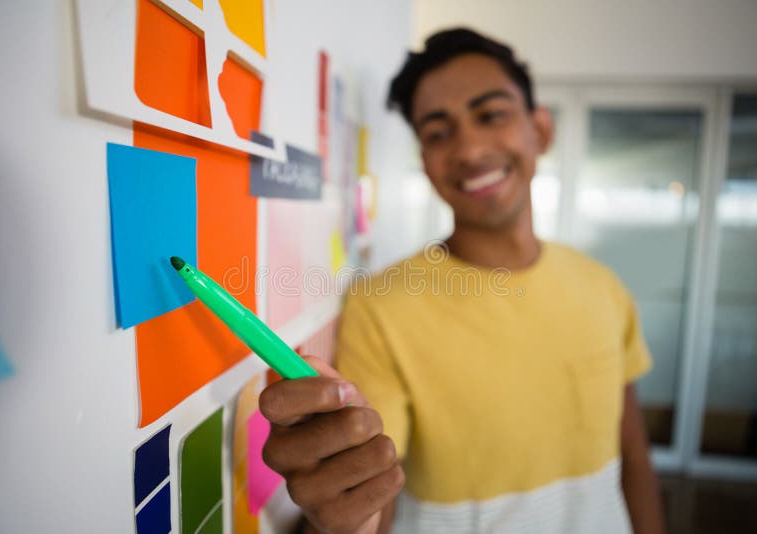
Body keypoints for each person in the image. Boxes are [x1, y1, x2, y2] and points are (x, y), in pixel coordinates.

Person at [259, 28, 665, 534]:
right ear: (425, 163)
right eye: (437, 132)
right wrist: (345, 516)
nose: (469, 149)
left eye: (491, 114)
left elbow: (632, 453)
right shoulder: (382, 304)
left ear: (540, 129)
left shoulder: (603, 287)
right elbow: (373, 497)